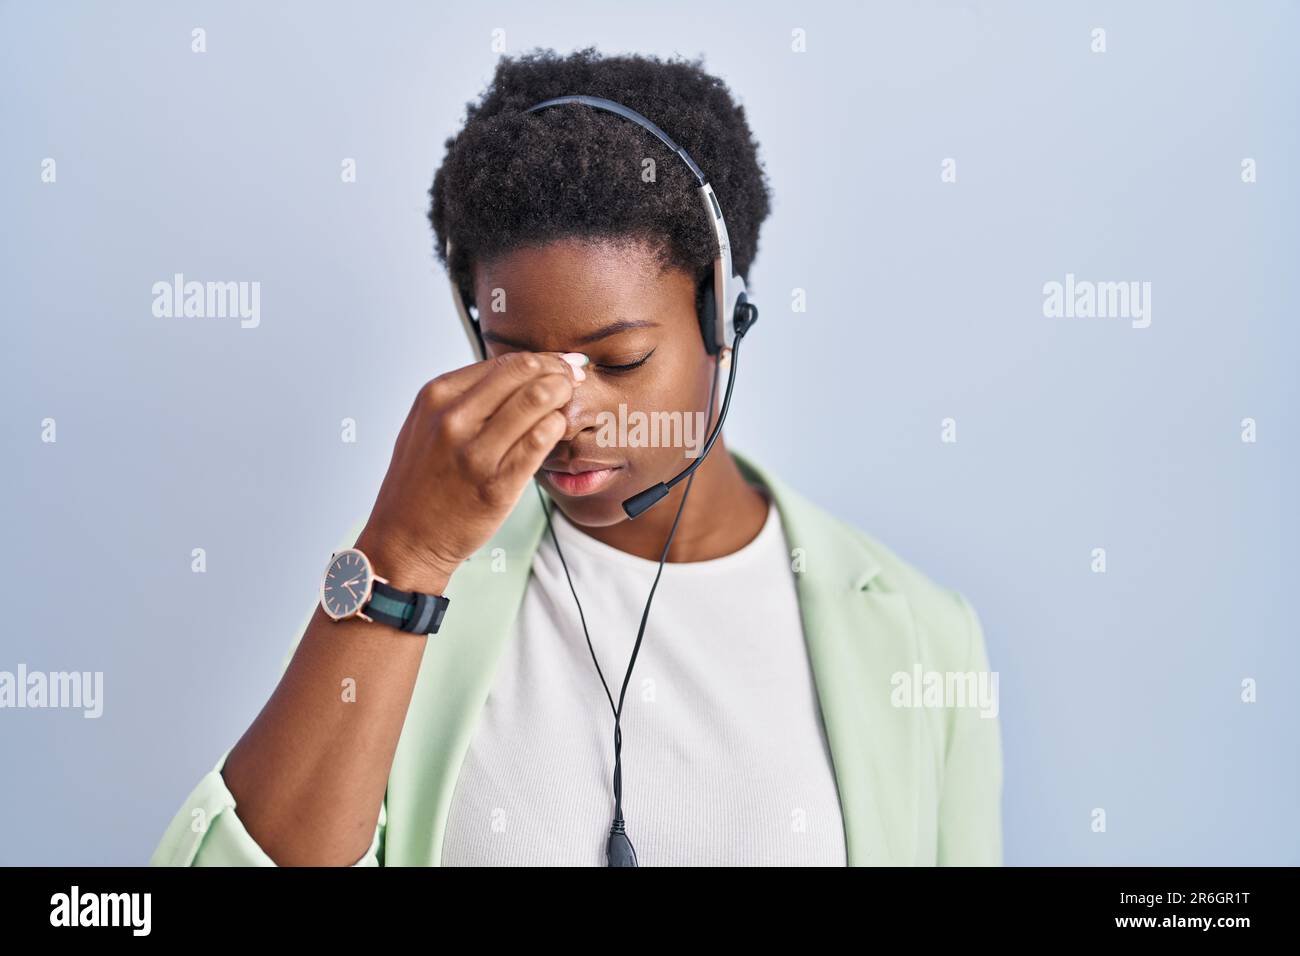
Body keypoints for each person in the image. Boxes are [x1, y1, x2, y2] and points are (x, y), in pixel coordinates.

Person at [149, 46, 1002, 867]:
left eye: (620, 360)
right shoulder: (413, 582)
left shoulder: (924, 635)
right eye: (514, 358)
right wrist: (402, 555)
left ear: (724, 324)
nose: (564, 416)